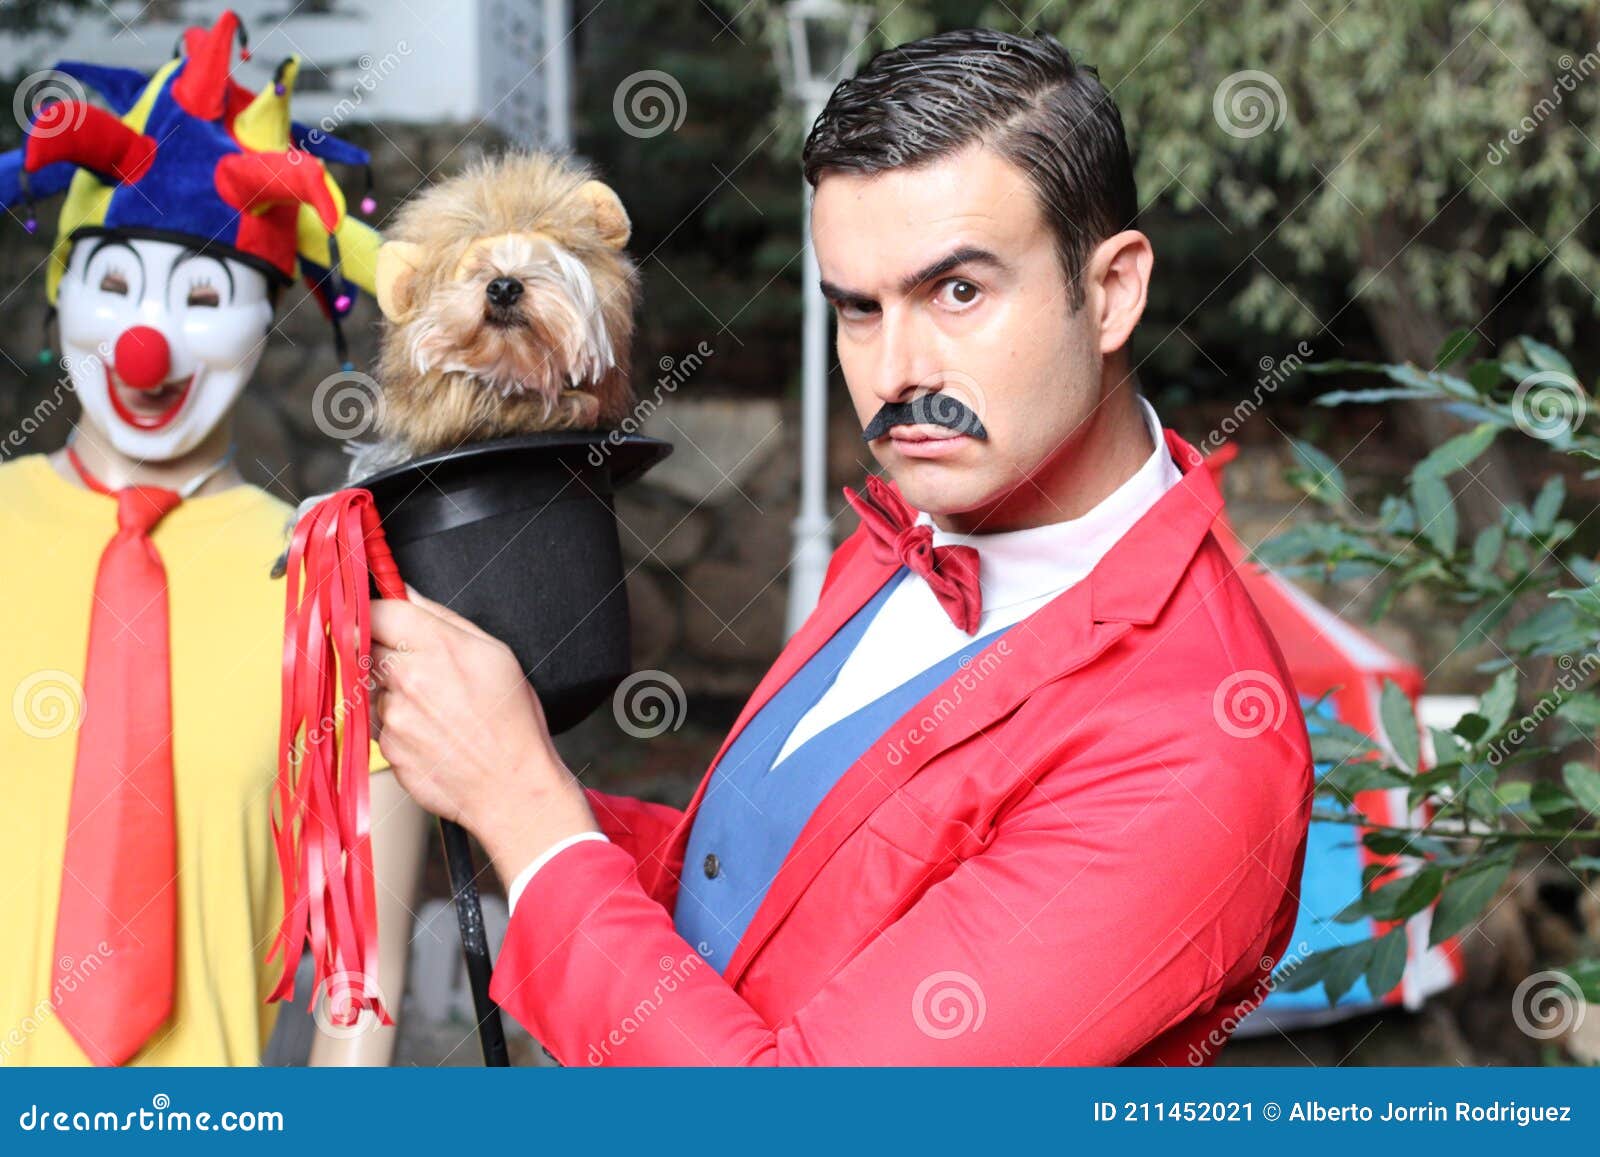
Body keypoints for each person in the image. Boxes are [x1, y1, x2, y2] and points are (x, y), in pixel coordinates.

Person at [368, 28, 1314, 1065]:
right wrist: (491, 779)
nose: (897, 372)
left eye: (957, 291)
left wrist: (528, 814)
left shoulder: (1194, 746)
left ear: (1115, 291)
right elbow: (752, 900)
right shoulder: (907, 530)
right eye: (859, 308)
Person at [0, 12, 426, 1066]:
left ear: (263, 320)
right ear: (61, 297)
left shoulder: (333, 585)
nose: (149, 342)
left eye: (202, 296)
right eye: (113, 286)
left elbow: (360, 990)